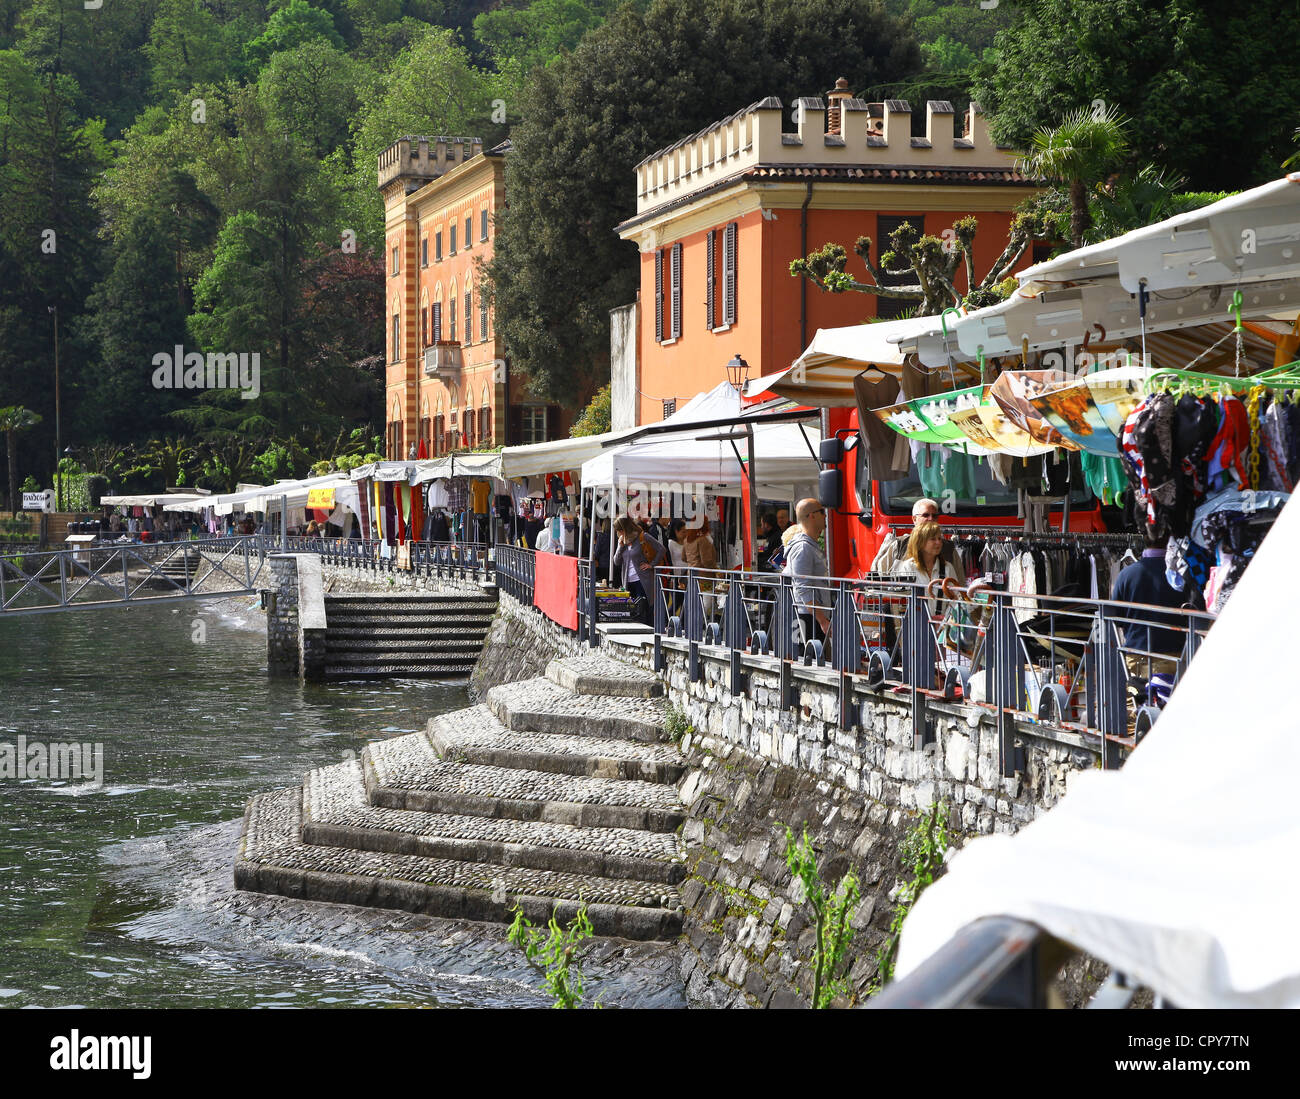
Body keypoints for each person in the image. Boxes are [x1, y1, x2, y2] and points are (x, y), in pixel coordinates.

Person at [1111, 533, 1187, 715]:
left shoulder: (1126, 574)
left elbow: (1115, 618)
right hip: (1179, 655)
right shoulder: (1181, 573)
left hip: (1139, 656)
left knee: (1143, 709)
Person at [871, 498, 967, 582]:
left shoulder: (948, 549)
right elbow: (880, 576)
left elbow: (959, 584)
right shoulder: (900, 545)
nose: (930, 519)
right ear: (914, 519)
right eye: (926, 515)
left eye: (934, 516)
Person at [890, 519, 962, 617]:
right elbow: (902, 603)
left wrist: (945, 619)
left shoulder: (947, 568)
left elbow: (956, 598)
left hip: (941, 629)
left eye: (939, 538)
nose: (938, 543)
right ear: (920, 542)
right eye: (933, 539)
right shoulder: (907, 567)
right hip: (915, 627)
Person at [783, 498, 831, 645]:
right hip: (808, 617)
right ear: (812, 516)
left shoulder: (810, 546)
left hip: (813, 615)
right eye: (822, 512)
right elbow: (803, 587)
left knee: (816, 661)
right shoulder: (803, 548)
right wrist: (822, 620)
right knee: (810, 661)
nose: (826, 515)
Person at [613, 514, 666, 625]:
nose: (619, 533)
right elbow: (616, 561)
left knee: (644, 610)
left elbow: (661, 549)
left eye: (620, 530)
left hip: (643, 580)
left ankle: (649, 634)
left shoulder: (643, 536)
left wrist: (651, 564)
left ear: (625, 528)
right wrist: (620, 546)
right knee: (633, 612)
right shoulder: (623, 542)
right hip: (627, 582)